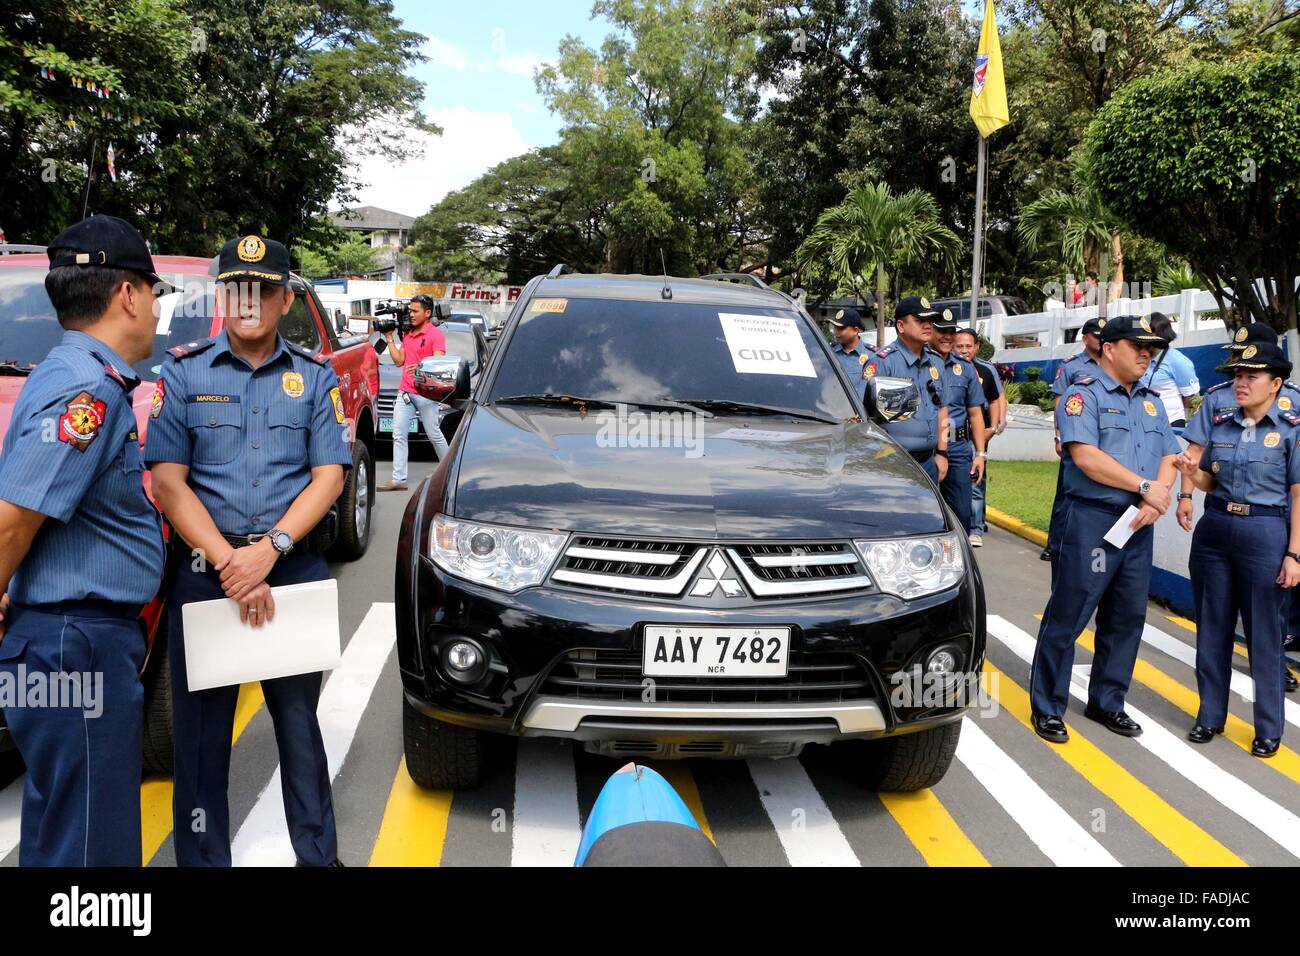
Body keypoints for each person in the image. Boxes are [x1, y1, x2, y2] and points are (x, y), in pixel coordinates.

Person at [144, 234, 351, 867]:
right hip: (209, 577)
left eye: (262, 289)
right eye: (235, 288)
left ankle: (318, 857)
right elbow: (168, 481)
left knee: (299, 729)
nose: (248, 301)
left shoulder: (314, 379)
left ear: (286, 298)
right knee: (202, 739)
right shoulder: (182, 373)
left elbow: (330, 476)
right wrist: (234, 563)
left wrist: (271, 549)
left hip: (290, 571)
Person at [0, 214, 167, 865]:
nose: (156, 311)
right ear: (128, 294)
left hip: (64, 638)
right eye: (154, 293)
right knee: (93, 844)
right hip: (78, 644)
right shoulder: (86, 390)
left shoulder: (62, 372)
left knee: (61, 827)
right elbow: (14, 519)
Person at [1029, 315, 1180, 744]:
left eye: (1150, 347)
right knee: (1070, 613)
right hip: (1093, 519)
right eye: (1137, 346)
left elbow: (1170, 453)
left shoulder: (1151, 401)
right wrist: (1147, 487)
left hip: (1138, 522)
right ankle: (1048, 706)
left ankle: (1107, 702)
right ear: (1110, 348)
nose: (1146, 353)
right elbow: (1086, 458)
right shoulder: (1082, 395)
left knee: (1127, 616)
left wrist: (1158, 495)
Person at [1175, 340, 1300, 757]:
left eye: (1252, 377)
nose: (1241, 383)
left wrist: (1294, 553)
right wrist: (1193, 476)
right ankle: (1210, 715)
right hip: (1216, 531)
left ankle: (1268, 727)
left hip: (1266, 532)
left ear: (1276, 383)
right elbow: (1212, 480)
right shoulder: (1223, 424)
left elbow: (1298, 496)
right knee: (1212, 626)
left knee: (1265, 633)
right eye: (1238, 376)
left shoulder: (1290, 430)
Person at [865, 296, 949, 483]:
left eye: (929, 320)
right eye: (920, 320)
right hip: (893, 463)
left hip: (930, 461)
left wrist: (943, 453)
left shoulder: (936, 361)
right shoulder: (883, 362)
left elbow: (943, 408)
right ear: (901, 326)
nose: (927, 325)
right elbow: (865, 418)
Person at [1042, 316, 1105, 560]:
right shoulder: (1071, 366)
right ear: (1085, 338)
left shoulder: (1112, 364)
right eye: (1096, 336)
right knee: (1065, 493)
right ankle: (1054, 544)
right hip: (1075, 437)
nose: (1100, 340)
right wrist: (1058, 436)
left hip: (1102, 439)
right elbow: (1060, 403)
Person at [377, 293, 450, 491]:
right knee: (398, 435)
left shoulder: (436, 336)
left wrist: (420, 366)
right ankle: (399, 479)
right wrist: (390, 339)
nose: (411, 314)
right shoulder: (408, 335)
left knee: (434, 434)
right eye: (409, 310)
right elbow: (399, 361)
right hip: (406, 392)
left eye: (415, 311)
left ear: (427, 313)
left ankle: (449, 472)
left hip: (426, 394)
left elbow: (438, 364)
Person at [931, 311, 988, 536]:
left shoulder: (965, 369)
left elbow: (975, 414)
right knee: (927, 512)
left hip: (957, 447)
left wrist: (980, 454)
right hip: (927, 447)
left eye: (951, 331)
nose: (947, 336)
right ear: (931, 331)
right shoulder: (922, 363)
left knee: (961, 512)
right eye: (942, 331)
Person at [956, 328, 1006, 547]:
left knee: (976, 481)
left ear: (976, 347)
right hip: (953, 436)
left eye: (969, 346)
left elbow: (996, 399)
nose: (965, 350)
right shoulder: (945, 367)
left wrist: (993, 428)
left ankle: (975, 527)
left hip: (978, 435)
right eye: (960, 346)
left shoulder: (985, 370)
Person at [1141, 313, 1199, 427]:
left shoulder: (1177, 361)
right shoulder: (1140, 357)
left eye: (1144, 332)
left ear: (1156, 333)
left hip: (1171, 424)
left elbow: (1192, 399)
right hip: (1145, 424)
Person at [828, 307, 873, 391]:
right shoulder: (829, 352)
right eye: (835, 327)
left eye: (841, 328)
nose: (836, 332)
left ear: (855, 330)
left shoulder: (872, 356)